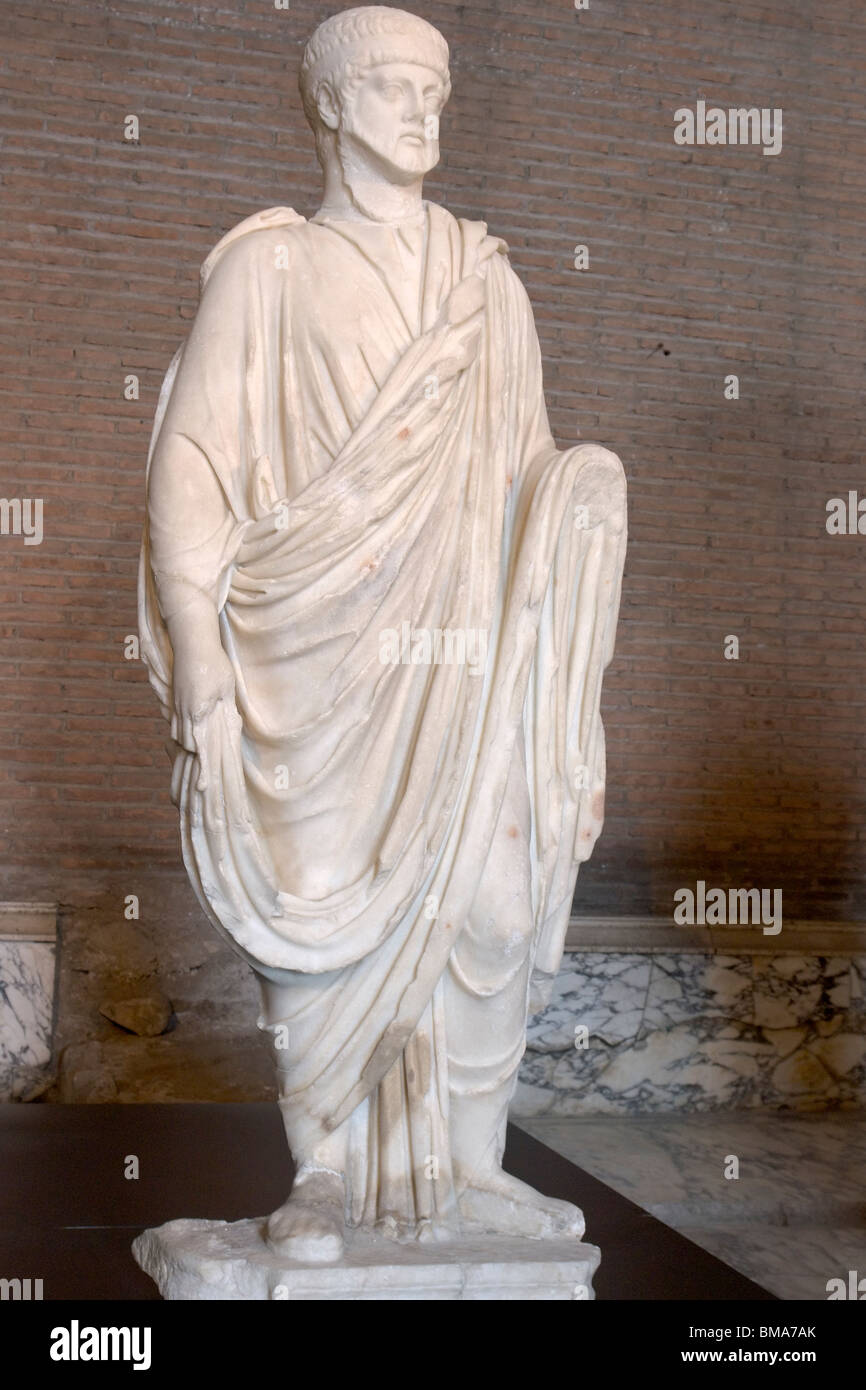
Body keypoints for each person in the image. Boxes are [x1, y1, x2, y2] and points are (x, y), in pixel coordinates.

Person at [139, 6, 626, 1262]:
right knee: (320, 906)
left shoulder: (488, 285)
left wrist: (578, 544)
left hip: (467, 663)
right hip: (314, 655)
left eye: (437, 90)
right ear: (334, 105)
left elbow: (523, 484)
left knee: (494, 901)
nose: (425, 110)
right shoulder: (271, 267)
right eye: (399, 87)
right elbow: (195, 458)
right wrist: (197, 638)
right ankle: (328, 1176)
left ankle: (467, 1170)